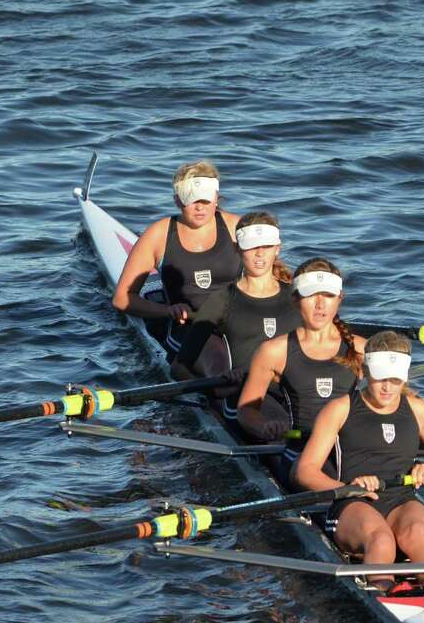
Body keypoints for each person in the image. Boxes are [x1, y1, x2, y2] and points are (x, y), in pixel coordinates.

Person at [293, 331, 424, 593]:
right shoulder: (340, 409)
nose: (387, 387)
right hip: (353, 502)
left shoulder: (418, 409)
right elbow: (304, 471)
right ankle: (384, 592)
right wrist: (347, 486)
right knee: (382, 539)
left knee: (417, 533)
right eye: (379, 379)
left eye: (395, 380)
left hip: (402, 498)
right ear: (363, 372)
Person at [237, 257, 366, 485]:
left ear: (339, 299)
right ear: (295, 300)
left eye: (328, 295)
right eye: (311, 295)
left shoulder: (361, 349)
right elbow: (246, 411)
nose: (320, 304)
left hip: (351, 448)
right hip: (300, 446)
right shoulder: (273, 351)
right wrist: (264, 427)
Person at [169, 211, 302, 418]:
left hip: (295, 393)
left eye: (266, 246)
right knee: (291, 431)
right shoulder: (222, 300)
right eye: (251, 247)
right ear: (237, 249)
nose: (259, 254)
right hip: (247, 398)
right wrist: (214, 391)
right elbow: (179, 367)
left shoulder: (298, 299)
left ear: (277, 249)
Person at [111, 160, 241, 355]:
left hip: (235, 321)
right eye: (192, 200)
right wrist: (168, 311)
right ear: (178, 200)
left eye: (205, 200)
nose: (200, 207)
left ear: (217, 198)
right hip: (186, 325)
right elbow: (122, 299)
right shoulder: (158, 235)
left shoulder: (238, 228)